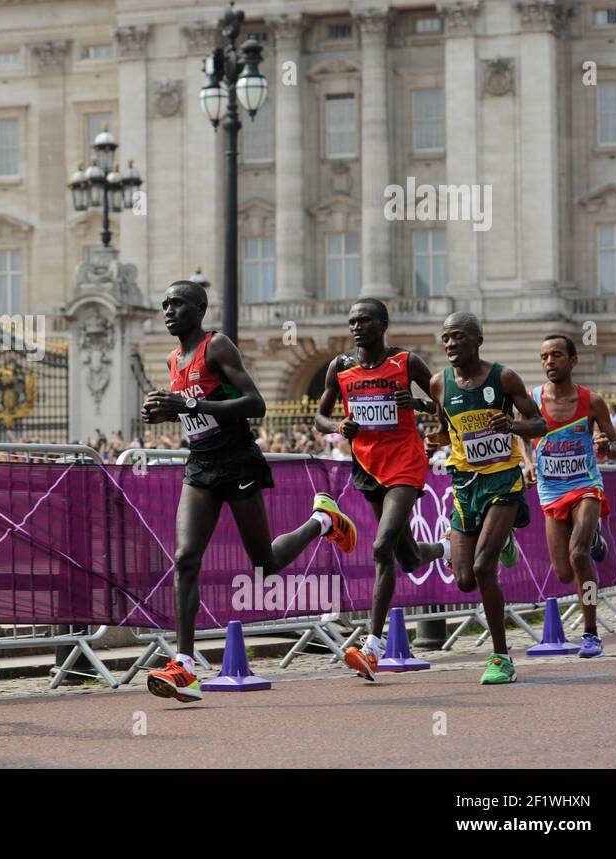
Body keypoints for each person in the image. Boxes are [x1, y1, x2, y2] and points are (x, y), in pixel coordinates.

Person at [140, 279, 357, 703]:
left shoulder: (216, 346)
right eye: (164, 304)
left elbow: (255, 404)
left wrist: (187, 405)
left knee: (266, 562)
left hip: (238, 460)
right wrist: (165, 413)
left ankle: (322, 520)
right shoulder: (173, 359)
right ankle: (184, 665)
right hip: (201, 464)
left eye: (178, 304)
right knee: (185, 559)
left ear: (200, 309)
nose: (168, 310)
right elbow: (194, 415)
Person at [314, 298, 448, 681]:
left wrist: (420, 404)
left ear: (383, 324)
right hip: (367, 466)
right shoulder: (340, 367)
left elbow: (446, 404)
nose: (357, 326)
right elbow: (320, 417)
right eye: (353, 321)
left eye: (365, 320)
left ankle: (373, 645)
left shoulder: (407, 362)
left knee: (380, 546)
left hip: (405, 463)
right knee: (408, 557)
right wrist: (340, 426)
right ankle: (448, 547)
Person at [428, 312, 547, 685]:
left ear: (478, 340)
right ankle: (503, 537)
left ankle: (501, 657)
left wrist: (511, 425)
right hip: (464, 483)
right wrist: (439, 439)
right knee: (464, 580)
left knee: (483, 568)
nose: (450, 344)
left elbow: (539, 423)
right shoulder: (438, 384)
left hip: (502, 481)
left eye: (458, 337)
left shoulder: (504, 377)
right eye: (446, 338)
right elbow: (447, 429)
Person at [522, 335, 616, 658]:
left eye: (557, 355)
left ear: (573, 361)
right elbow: (521, 436)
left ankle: (591, 633)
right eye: (544, 357)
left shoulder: (591, 401)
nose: (549, 362)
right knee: (564, 572)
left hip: (586, 484)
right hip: (551, 488)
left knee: (578, 555)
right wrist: (527, 463)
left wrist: (608, 446)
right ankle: (595, 542)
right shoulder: (532, 399)